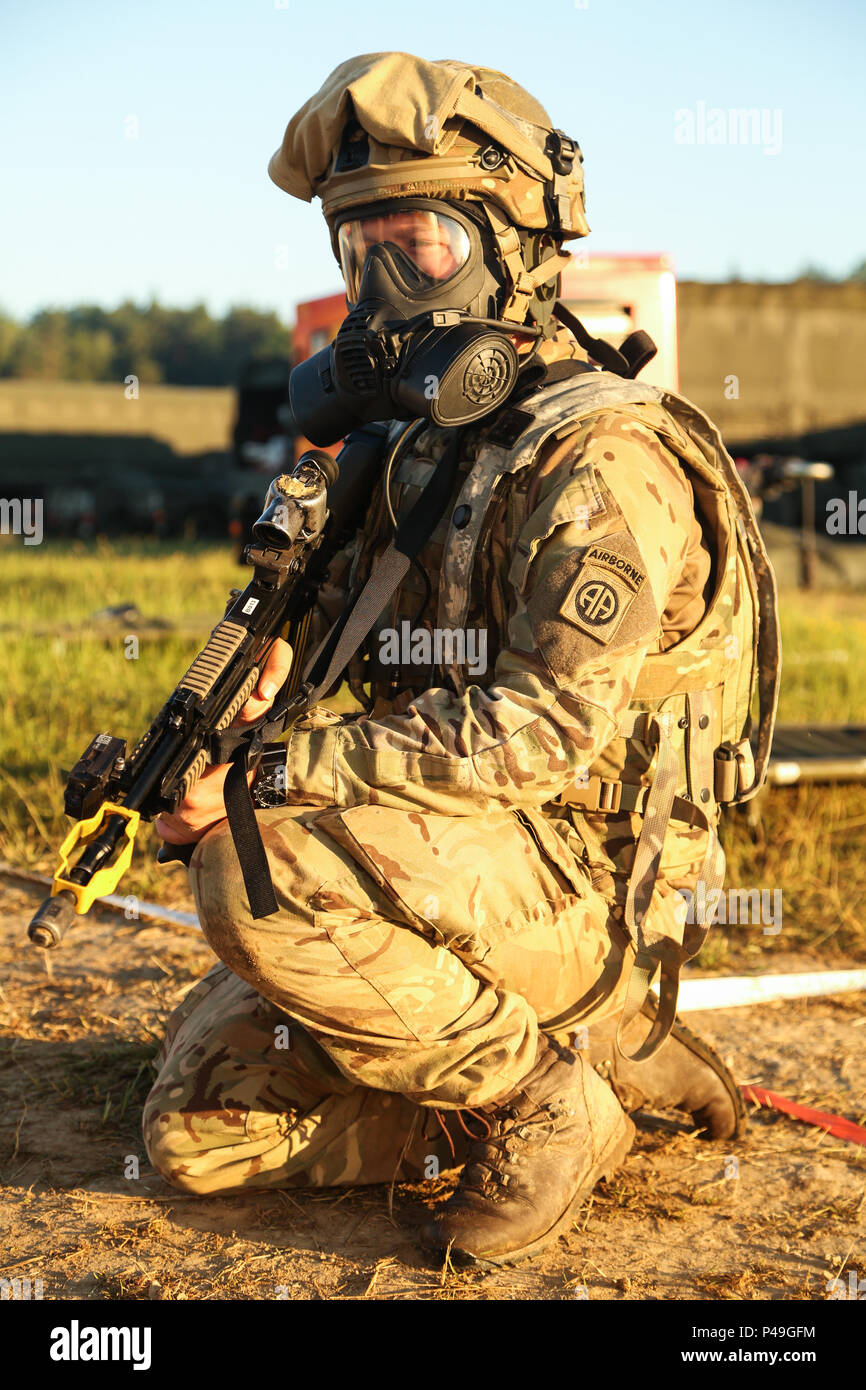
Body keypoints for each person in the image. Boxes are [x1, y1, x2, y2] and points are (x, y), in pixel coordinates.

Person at [143, 53, 779, 1268]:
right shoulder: (418, 452)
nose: (381, 283)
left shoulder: (597, 459)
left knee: (261, 856)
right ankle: (600, 1061)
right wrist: (238, 707)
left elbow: (540, 729)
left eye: (419, 242)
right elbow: (308, 642)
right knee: (197, 1136)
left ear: (512, 241)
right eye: (356, 246)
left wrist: (268, 778)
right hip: (456, 862)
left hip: (595, 883)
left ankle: (547, 1090)